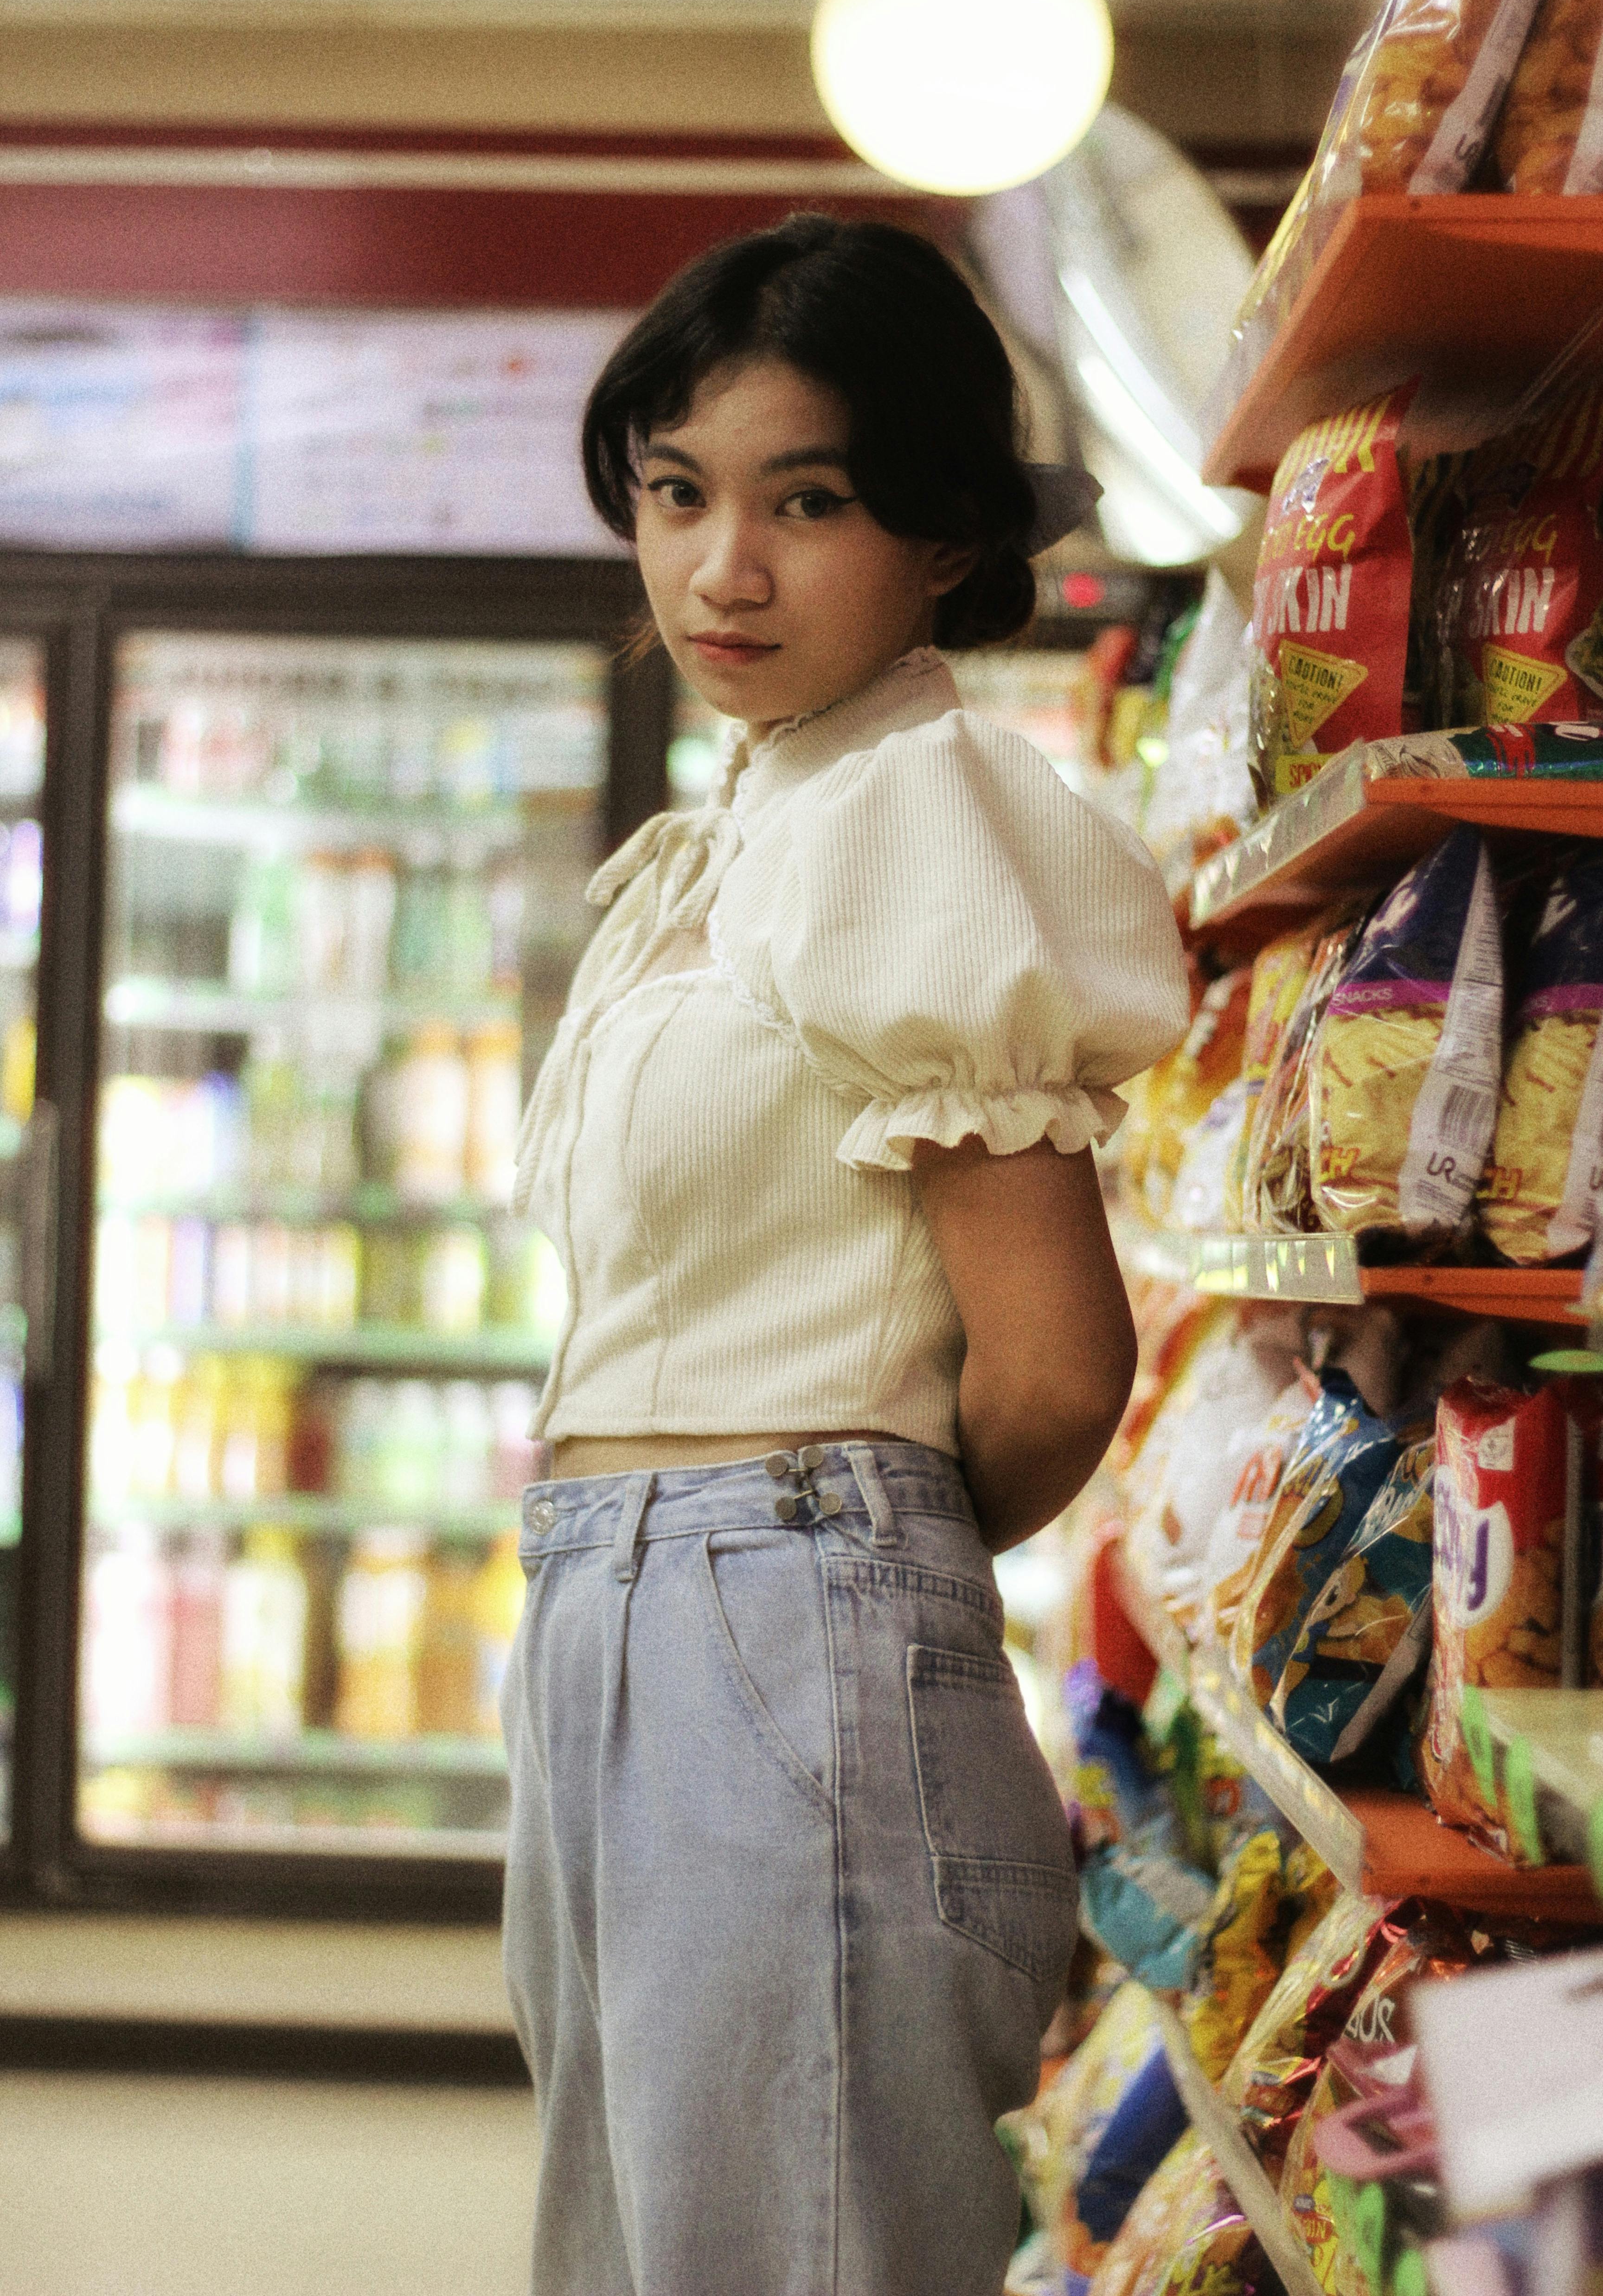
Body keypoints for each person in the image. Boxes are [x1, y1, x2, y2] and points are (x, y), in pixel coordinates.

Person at [500, 211, 1189, 2296]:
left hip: (773, 1609)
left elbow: (1058, 1366)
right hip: (619, 1615)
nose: (727, 570)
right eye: (679, 495)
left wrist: (830, 1548)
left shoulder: (911, 806)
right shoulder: (741, 831)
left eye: (810, 502)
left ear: (946, 541)